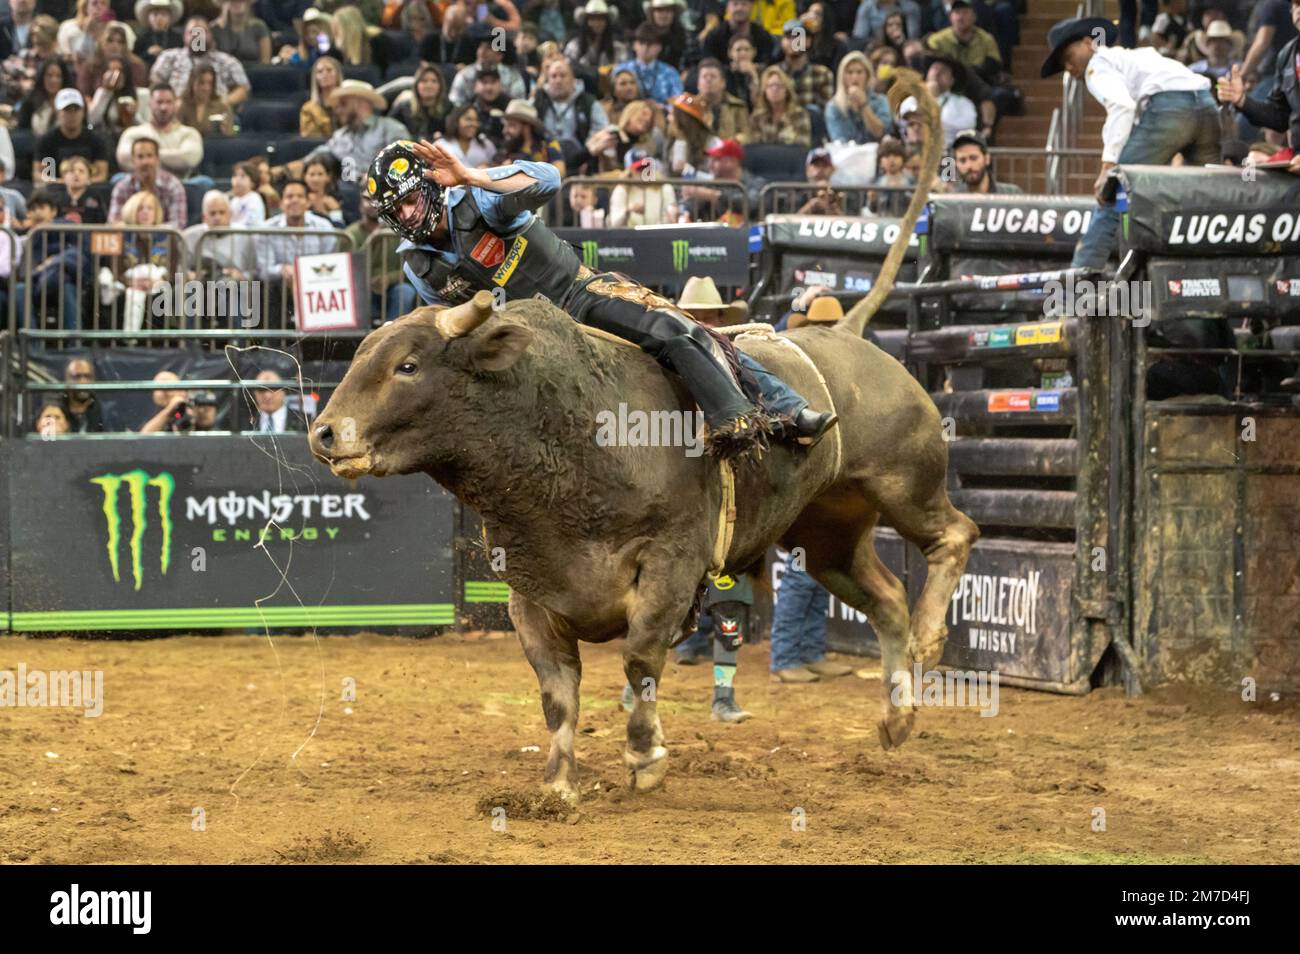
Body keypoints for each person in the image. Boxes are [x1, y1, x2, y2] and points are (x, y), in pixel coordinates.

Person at [372, 139, 837, 456]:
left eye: (411, 200)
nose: (408, 215)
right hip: (523, 340)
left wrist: (472, 175)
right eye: (397, 210)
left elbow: (548, 181)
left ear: (432, 185)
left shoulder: (480, 200)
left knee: (675, 327)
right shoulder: (418, 265)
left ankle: (772, 410)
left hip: (578, 296)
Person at [1041, 15, 1219, 271]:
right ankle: (1207, 274)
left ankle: (1077, 281)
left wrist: (1108, 166)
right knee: (1207, 198)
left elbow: (1122, 106)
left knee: (1113, 193)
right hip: (1207, 106)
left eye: (1068, 56)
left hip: (1170, 109)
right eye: (1062, 64)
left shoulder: (1097, 63)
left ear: (1088, 42)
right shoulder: (1134, 57)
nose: (1068, 67)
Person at [1216, 0, 1300, 171]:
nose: (1299, 9)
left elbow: (1261, 42)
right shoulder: (1287, 55)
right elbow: (1280, 117)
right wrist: (1241, 100)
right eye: (1296, 4)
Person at [254, 178, 337, 319]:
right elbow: (264, 270)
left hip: (317, 284)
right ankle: (273, 340)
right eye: (289, 197)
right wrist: (283, 270)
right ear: (281, 203)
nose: (295, 200)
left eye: (300, 196)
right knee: (268, 289)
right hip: (280, 287)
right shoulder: (266, 229)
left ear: (308, 202)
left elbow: (332, 263)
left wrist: (304, 274)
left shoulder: (324, 227)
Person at [302, 80, 409, 183]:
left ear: (361, 103)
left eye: (343, 104)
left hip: (383, 191)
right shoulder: (340, 136)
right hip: (348, 194)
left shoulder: (391, 128)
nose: (337, 110)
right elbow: (320, 153)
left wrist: (376, 176)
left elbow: (404, 162)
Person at [345, 190, 418, 323]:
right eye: (368, 199)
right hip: (362, 289)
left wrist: (388, 279)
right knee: (354, 295)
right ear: (360, 204)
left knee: (406, 292)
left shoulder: (398, 232)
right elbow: (346, 271)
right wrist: (370, 243)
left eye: (378, 199)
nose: (373, 203)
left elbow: (409, 268)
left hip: (391, 287)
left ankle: (392, 333)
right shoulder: (349, 235)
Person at [150, 16, 251, 107]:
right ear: (184, 36)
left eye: (202, 32)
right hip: (176, 111)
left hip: (215, 111)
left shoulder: (227, 61)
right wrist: (171, 103)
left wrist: (222, 104)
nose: (197, 37)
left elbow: (243, 89)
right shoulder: (169, 57)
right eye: (192, 32)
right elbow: (155, 83)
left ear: (211, 35)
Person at [116, 83, 203, 179]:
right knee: (119, 178)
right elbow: (124, 159)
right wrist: (172, 160)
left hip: (179, 185)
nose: (163, 108)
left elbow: (189, 160)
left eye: (168, 102)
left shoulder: (189, 133)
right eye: (159, 102)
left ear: (175, 104)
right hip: (140, 184)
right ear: (150, 104)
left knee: (203, 182)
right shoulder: (133, 133)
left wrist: (144, 157)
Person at [109, 133, 187, 225]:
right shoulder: (122, 187)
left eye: (149, 156)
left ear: (157, 159)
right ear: (133, 161)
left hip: (164, 239)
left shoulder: (173, 186)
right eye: (140, 157)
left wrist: (152, 232)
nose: (145, 162)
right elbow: (114, 223)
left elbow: (178, 224)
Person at [34, 88, 108, 182]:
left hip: (88, 189)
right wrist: (60, 182)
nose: (72, 114)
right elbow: (39, 174)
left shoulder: (96, 140)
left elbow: (102, 175)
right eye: (67, 110)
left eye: (76, 109)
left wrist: (81, 182)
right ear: (58, 113)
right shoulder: (47, 141)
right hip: (56, 190)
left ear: (83, 112)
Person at [533, 55, 608, 149]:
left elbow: (602, 130)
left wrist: (586, 153)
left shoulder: (589, 102)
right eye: (553, 76)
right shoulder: (539, 101)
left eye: (563, 75)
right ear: (548, 80)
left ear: (573, 79)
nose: (558, 80)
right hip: (543, 158)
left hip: (582, 158)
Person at [449, 22, 526, 106]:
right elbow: (455, 104)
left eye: (488, 48)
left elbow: (519, 107)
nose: (482, 52)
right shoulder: (465, 75)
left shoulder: (512, 77)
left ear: (499, 55)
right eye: (480, 47)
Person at [825, 50, 889, 144]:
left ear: (867, 75)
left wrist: (864, 105)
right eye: (849, 72)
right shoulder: (834, 106)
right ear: (842, 77)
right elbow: (839, 139)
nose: (855, 77)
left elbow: (880, 133)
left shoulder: (881, 101)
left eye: (859, 72)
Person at [613, 22, 682, 106]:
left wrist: (659, 108)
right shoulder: (620, 70)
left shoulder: (670, 73)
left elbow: (678, 105)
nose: (645, 48)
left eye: (650, 44)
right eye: (641, 43)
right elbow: (613, 101)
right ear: (634, 45)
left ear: (659, 47)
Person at [741, 65, 810, 146]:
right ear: (764, 92)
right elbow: (753, 147)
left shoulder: (799, 115)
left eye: (779, 85)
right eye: (770, 86)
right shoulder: (757, 118)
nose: (774, 89)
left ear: (787, 90)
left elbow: (802, 146)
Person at [776, 17, 832, 109]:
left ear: (808, 41)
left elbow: (825, 112)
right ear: (782, 42)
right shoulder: (775, 73)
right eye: (788, 37)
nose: (793, 42)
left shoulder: (822, 73)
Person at [498, 98, 565, 174]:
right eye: (505, 125)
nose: (505, 131)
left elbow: (559, 172)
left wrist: (525, 169)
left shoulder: (547, 146)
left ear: (527, 127)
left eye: (511, 125)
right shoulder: (506, 149)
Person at [609, 151, 675, 226]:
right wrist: (628, 211)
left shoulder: (664, 188)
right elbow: (615, 224)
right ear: (629, 172)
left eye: (647, 168)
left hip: (658, 234)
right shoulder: (621, 190)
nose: (644, 173)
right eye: (639, 169)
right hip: (629, 235)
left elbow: (669, 219)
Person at [389, 62, 450, 140]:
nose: (429, 85)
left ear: (440, 86)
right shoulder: (404, 106)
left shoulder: (448, 107)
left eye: (434, 81)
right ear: (416, 85)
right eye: (424, 81)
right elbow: (390, 130)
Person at [949, 127, 1019, 194]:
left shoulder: (1011, 194)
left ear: (987, 159)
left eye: (974, 158)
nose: (969, 165)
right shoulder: (952, 200)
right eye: (962, 160)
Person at [703, 0, 775, 65]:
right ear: (728, 7)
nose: (739, 8)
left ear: (751, 7)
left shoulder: (763, 36)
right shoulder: (714, 37)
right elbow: (710, 65)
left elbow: (766, 64)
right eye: (735, 4)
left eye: (744, 4)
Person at [564, 0, 626, 74]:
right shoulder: (573, 47)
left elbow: (623, 72)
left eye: (601, 19)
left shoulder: (618, 48)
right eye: (592, 19)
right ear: (586, 22)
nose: (597, 23)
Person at [694, 56, 748, 141]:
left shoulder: (738, 106)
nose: (708, 79)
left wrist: (731, 143)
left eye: (713, 76)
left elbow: (746, 135)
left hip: (730, 152)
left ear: (723, 83)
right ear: (698, 84)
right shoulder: (690, 107)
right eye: (704, 76)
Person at [178, 62, 236, 137]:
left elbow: (230, 135)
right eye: (201, 83)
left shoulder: (222, 106)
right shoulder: (182, 106)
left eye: (210, 83)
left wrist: (224, 131)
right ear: (192, 83)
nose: (206, 88)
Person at [63, 356, 119, 432]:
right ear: (67, 380)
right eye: (77, 377)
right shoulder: (57, 410)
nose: (83, 382)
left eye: (87, 376)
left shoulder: (105, 412)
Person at [246, 368, 306, 432]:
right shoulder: (243, 423)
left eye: (274, 388)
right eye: (261, 389)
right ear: (254, 393)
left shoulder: (304, 421)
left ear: (284, 390)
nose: (267, 395)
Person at [300, 53, 342, 138]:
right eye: (320, 72)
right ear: (315, 77)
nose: (324, 74)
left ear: (337, 74)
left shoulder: (347, 104)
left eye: (329, 70)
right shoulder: (308, 108)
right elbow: (308, 139)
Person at [869, 135, 913, 215]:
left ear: (903, 159)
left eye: (896, 156)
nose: (891, 160)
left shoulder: (911, 180)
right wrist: (873, 200)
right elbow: (872, 209)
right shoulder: (876, 182)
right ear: (880, 162)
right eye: (887, 156)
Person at [1187, 19, 1240, 83]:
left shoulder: (1240, 69)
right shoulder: (1193, 71)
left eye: (1222, 40)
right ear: (1207, 44)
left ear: (1230, 45)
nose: (1217, 44)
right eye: (1213, 40)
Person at [56, 154, 106, 223]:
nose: (76, 174)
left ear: (89, 178)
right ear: (64, 177)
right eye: (72, 171)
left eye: (81, 171)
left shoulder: (95, 197)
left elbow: (101, 221)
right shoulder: (57, 197)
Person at [134, 0, 183, 68]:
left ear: (170, 17)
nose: (159, 18)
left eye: (163, 14)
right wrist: (148, 53)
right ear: (148, 17)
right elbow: (134, 59)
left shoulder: (177, 38)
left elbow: (182, 58)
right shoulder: (142, 37)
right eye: (155, 14)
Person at [228, 160, 266, 227]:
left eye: (242, 176)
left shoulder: (254, 198)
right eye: (235, 175)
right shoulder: (234, 200)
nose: (237, 179)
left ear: (252, 182)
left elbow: (250, 226)